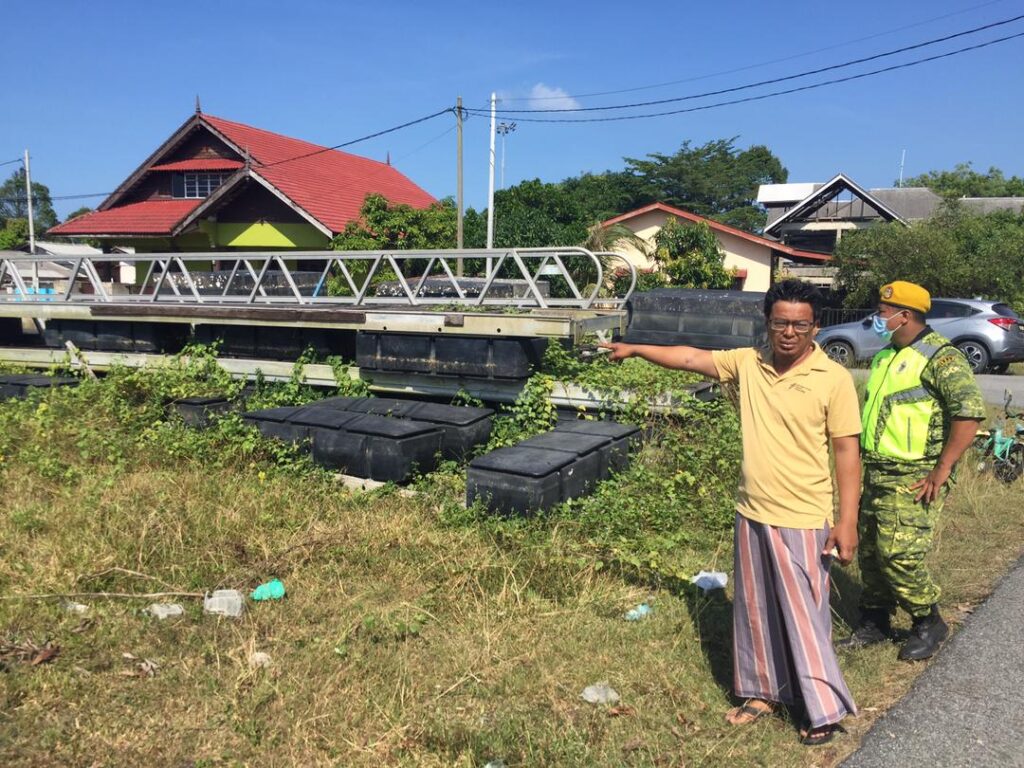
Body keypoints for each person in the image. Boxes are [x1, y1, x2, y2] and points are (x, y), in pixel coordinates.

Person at [601, 279, 861, 746]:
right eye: (780, 323)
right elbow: (689, 358)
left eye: (800, 325)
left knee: (805, 617)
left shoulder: (833, 378)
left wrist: (847, 521)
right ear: (767, 322)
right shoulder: (748, 362)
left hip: (804, 516)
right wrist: (635, 349)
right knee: (756, 612)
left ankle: (821, 709)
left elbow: (846, 452)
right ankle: (763, 694)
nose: (789, 333)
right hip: (752, 510)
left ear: (815, 327)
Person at [840, 281, 985, 661]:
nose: (877, 318)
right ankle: (875, 621)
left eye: (883, 313)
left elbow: (968, 414)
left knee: (898, 554)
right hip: (877, 471)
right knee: (871, 552)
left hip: (914, 476)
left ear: (904, 316)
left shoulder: (942, 358)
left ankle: (928, 621)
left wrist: (943, 468)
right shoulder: (887, 355)